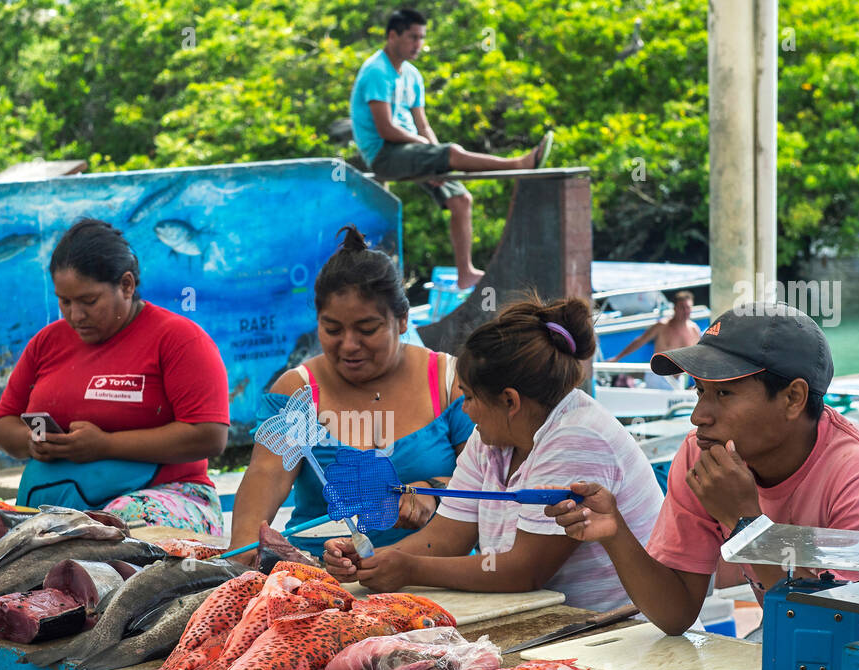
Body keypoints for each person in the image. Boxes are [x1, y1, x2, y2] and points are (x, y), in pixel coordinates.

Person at [549, 303, 859, 635]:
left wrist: (744, 522)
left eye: (724, 393)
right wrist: (617, 534)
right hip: (791, 637)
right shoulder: (704, 456)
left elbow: (835, 633)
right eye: (699, 391)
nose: (700, 416)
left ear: (793, 398)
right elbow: (675, 614)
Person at [323, 296, 663, 611]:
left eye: (469, 397)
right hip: (559, 627)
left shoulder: (577, 436)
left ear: (510, 402)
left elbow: (523, 571)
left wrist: (410, 568)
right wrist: (372, 557)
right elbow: (446, 537)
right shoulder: (492, 438)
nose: (465, 410)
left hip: (624, 636)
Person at [228, 225, 475, 560]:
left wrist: (433, 490)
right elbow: (266, 476)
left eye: (367, 329)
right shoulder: (298, 390)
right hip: (323, 576)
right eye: (332, 329)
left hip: (436, 572)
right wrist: (241, 559)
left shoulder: (451, 382)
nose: (349, 345)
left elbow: (491, 482)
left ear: (402, 320)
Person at [0, 218, 229, 533]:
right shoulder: (47, 343)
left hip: (171, 497)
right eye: (65, 301)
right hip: (61, 505)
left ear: (127, 285)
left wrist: (105, 445)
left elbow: (209, 435)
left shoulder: (178, 339)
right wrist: (33, 441)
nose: (75, 315)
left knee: (108, 531)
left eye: (89, 301)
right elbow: (2, 423)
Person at [349, 8, 554, 290]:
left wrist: (435, 159)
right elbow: (385, 129)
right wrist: (435, 154)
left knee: (461, 201)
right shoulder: (376, 71)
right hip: (384, 154)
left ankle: (465, 273)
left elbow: (423, 125)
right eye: (412, 37)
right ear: (392, 35)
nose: (418, 44)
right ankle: (518, 165)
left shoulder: (412, 75)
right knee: (454, 152)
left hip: (413, 151)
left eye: (421, 37)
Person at [610, 291, 701, 389]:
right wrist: (617, 357)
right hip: (659, 377)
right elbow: (640, 341)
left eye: (688, 307)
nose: (686, 311)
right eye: (682, 307)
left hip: (679, 379)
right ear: (675, 308)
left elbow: (699, 356)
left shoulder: (694, 329)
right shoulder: (662, 326)